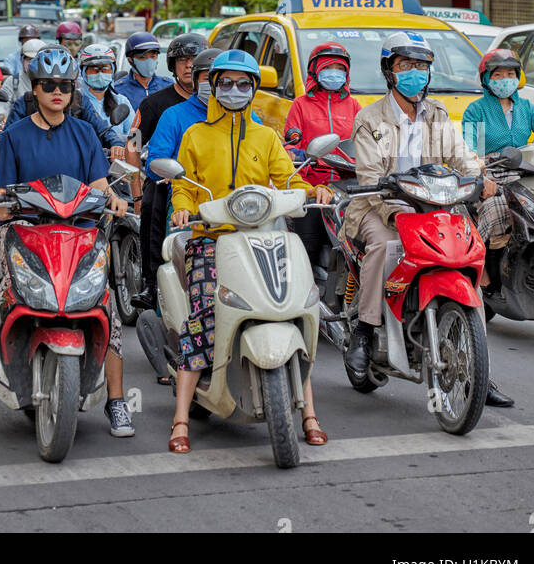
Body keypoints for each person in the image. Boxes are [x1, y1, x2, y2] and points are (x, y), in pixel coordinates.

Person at [168, 49, 332, 452]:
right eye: (226, 83)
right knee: (204, 318)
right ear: (213, 87)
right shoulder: (196, 135)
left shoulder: (266, 137)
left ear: (253, 89)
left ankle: (310, 413)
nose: (234, 90)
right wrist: (183, 207)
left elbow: (287, 179)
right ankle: (180, 419)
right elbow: (183, 184)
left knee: (293, 308)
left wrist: (314, 190)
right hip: (211, 239)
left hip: (262, 238)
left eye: (243, 84)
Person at [344, 30, 512, 408]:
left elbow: (461, 155)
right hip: (381, 206)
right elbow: (369, 177)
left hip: (434, 205)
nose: (415, 73)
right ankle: (365, 330)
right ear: (389, 71)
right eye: (406, 65)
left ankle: (477, 367)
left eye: (421, 66)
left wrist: (480, 177)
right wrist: (395, 206)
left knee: (466, 250)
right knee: (386, 246)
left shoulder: (436, 114)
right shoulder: (369, 118)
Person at [0, 46, 135, 438]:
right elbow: (1, 195)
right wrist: (1, 204)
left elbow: (99, 184)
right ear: (35, 89)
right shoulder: (13, 136)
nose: (57, 92)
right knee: (9, 289)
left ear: (73, 91)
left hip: (80, 232)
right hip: (27, 230)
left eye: (65, 86)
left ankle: (117, 401)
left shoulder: (85, 133)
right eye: (49, 85)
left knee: (105, 307)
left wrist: (114, 198)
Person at [462, 48, 534, 289]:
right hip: (491, 176)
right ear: (486, 79)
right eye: (498, 75)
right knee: (496, 209)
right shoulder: (477, 110)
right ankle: (485, 270)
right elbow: (471, 150)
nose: (505, 80)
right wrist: (479, 168)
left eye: (510, 74)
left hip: (525, 173)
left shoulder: (526, 108)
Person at [127, 32, 207, 310]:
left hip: (212, 182)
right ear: (172, 65)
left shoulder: (225, 102)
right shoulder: (155, 104)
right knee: (153, 207)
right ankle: (152, 284)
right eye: (182, 60)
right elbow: (133, 146)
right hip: (167, 180)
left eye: (195, 60)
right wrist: (137, 194)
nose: (189, 65)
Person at [284, 41, 361, 263]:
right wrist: (300, 155)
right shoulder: (300, 105)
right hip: (311, 187)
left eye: (339, 69)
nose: (334, 73)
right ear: (315, 70)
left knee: (357, 248)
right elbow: (290, 145)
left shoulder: (354, 106)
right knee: (307, 248)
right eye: (328, 68)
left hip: (347, 188)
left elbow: (366, 143)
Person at [78, 43, 135, 144]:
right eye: (94, 69)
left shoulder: (122, 101)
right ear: (83, 72)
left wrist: (119, 142)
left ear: (113, 71)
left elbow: (136, 138)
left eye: (105, 69)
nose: (100, 74)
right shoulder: (76, 100)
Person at [114, 31, 168, 110]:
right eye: (142, 57)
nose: (149, 61)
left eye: (153, 56)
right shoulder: (117, 90)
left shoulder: (168, 86)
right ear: (130, 60)